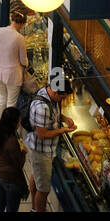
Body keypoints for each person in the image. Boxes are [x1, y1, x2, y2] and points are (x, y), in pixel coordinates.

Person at [26, 82, 74, 212]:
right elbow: (42, 134)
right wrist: (62, 130)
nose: (62, 100)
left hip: (43, 149)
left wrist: (64, 118)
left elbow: (53, 114)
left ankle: (34, 208)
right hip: (42, 152)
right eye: (62, 97)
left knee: (36, 177)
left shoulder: (46, 92)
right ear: (56, 92)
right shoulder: (42, 108)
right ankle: (38, 209)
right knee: (43, 190)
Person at [0, 106, 28, 212]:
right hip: (10, 178)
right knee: (11, 208)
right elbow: (18, 165)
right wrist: (23, 152)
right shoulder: (12, 141)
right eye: (19, 121)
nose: (20, 123)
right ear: (14, 123)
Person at [0, 10, 28, 117]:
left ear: (12, 20)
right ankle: (8, 127)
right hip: (12, 75)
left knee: (2, 97)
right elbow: (23, 60)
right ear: (21, 24)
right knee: (11, 103)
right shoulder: (19, 38)